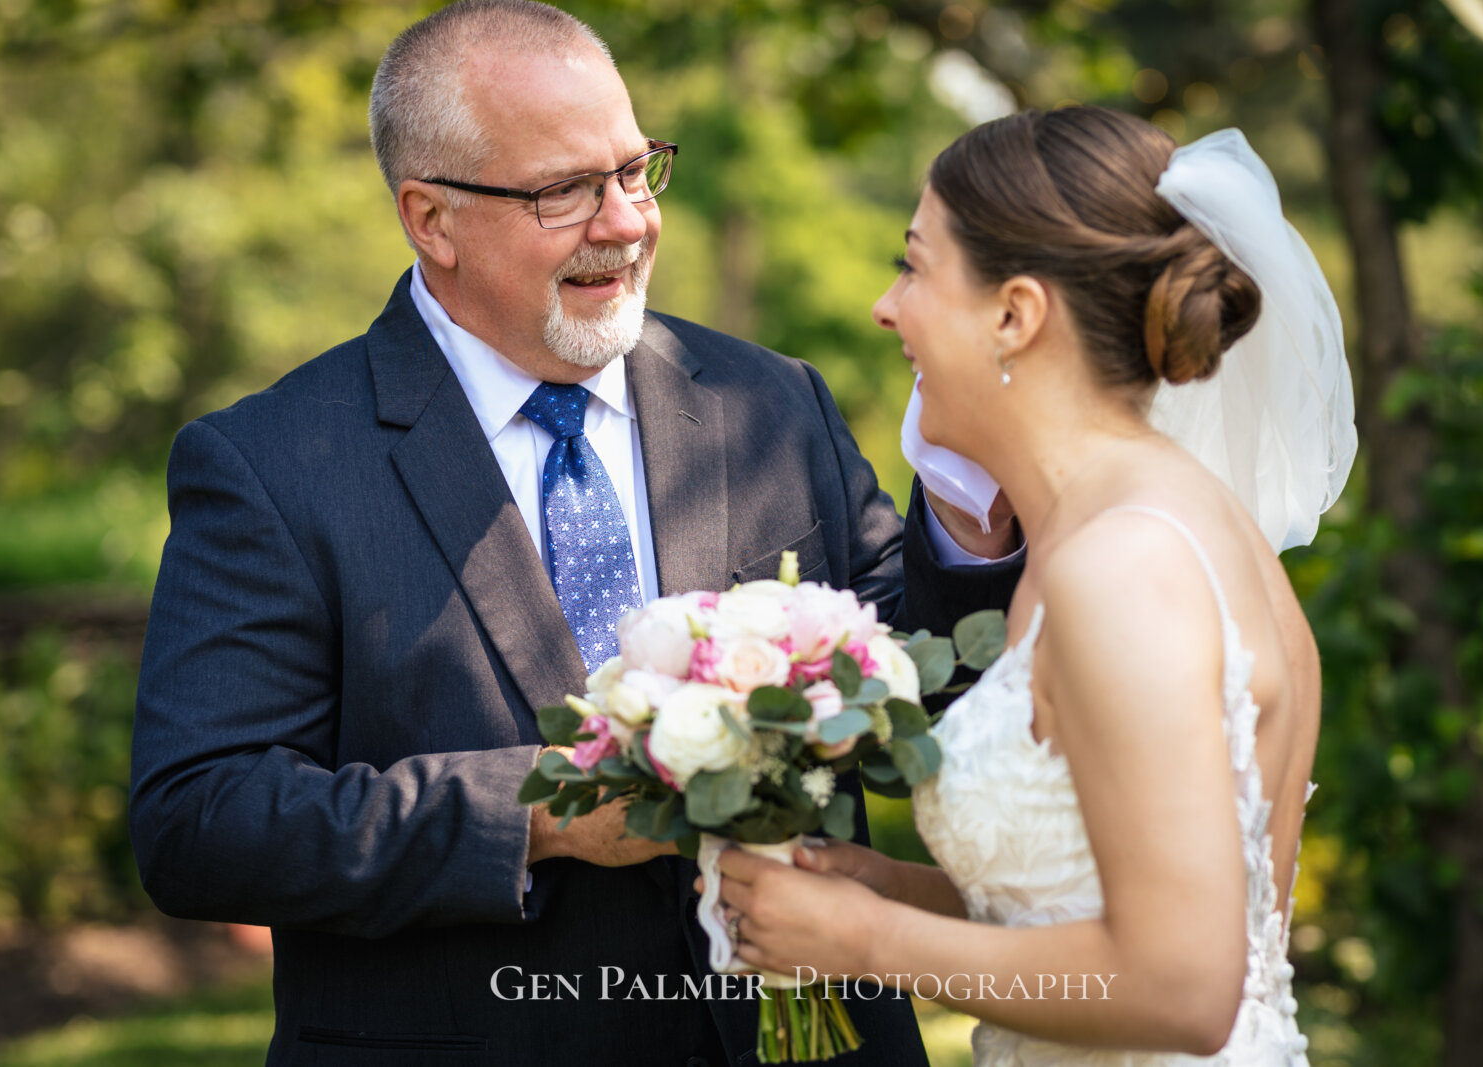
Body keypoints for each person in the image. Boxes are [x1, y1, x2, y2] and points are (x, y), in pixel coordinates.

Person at [126, 3, 1021, 1064]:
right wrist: (538, 812)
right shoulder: (274, 463)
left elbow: (924, 689)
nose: (627, 221)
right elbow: (200, 821)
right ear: (431, 219)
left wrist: (972, 527)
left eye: (637, 171)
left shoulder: (769, 402)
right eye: (566, 190)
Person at [714, 105, 1357, 1065]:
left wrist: (866, 943)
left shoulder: (1122, 565)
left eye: (916, 266)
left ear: (1014, 314)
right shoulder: (1153, 526)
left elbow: (1185, 985)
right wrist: (882, 887)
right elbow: (1095, 902)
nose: (888, 308)